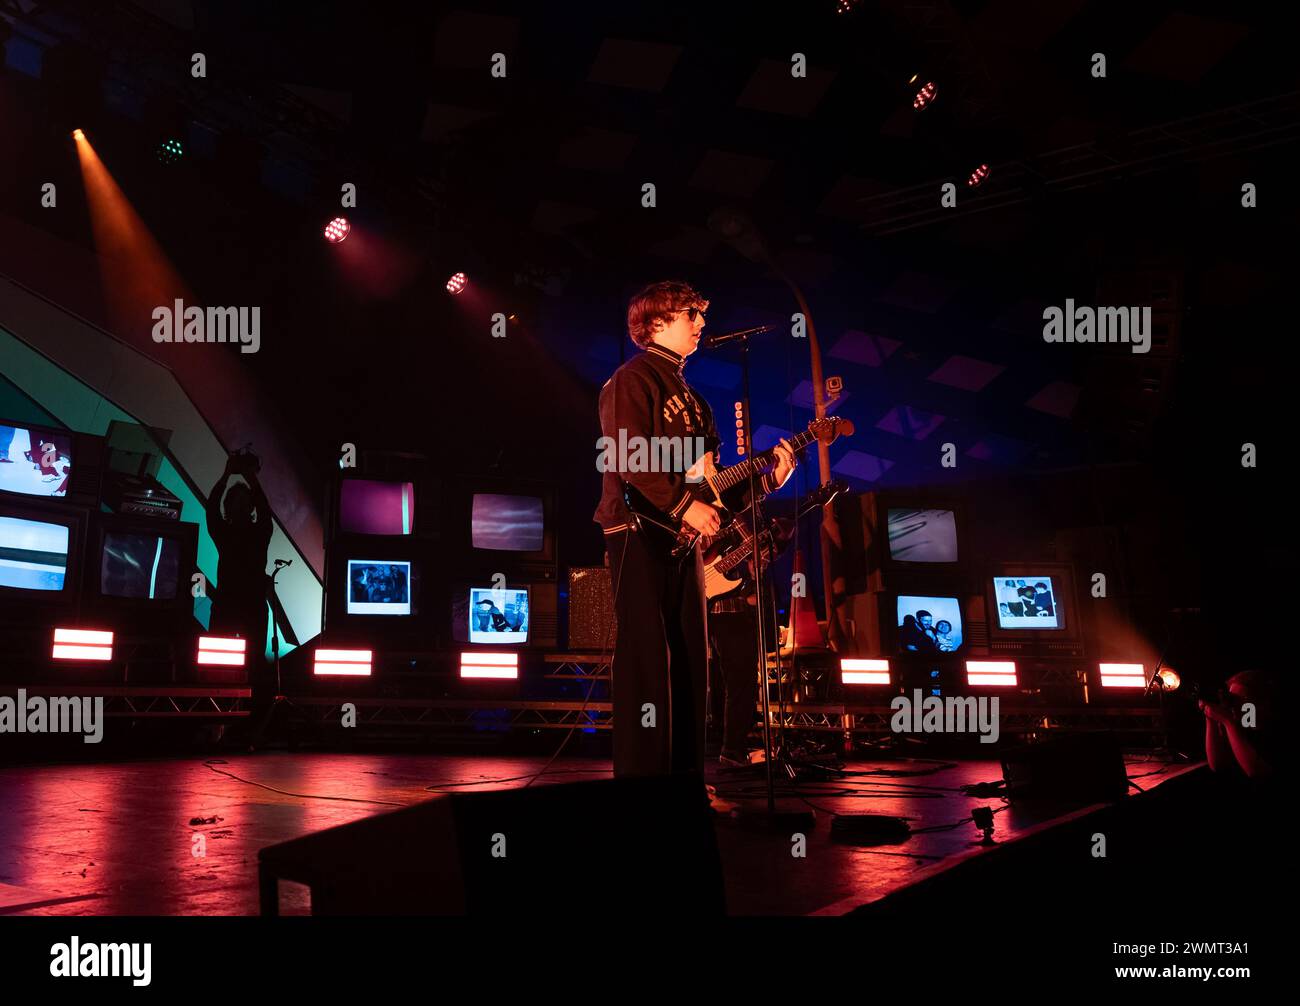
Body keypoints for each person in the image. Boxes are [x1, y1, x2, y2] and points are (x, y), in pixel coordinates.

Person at [593, 279, 793, 778]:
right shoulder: (633, 379)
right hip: (636, 533)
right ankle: (643, 780)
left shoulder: (696, 400)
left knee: (688, 658)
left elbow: (708, 486)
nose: (702, 323)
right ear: (656, 322)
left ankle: (683, 778)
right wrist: (683, 505)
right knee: (647, 657)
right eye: (691, 314)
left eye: (700, 315)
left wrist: (765, 484)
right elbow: (627, 454)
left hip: (682, 543)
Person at [709, 513, 794, 768]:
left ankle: (733, 747)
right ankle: (730, 748)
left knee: (739, 682)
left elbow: (760, 561)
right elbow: (760, 557)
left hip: (732, 610)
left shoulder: (744, 517)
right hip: (728, 613)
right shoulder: (730, 514)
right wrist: (769, 544)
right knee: (739, 682)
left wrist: (779, 540)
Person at [205, 453, 273, 665]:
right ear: (230, 506)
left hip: (244, 605)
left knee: (252, 663)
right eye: (238, 501)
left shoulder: (257, 532)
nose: (242, 505)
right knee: (218, 661)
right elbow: (212, 509)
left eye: (245, 501)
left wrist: (242, 476)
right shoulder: (230, 532)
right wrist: (238, 475)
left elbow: (264, 510)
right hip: (232, 604)